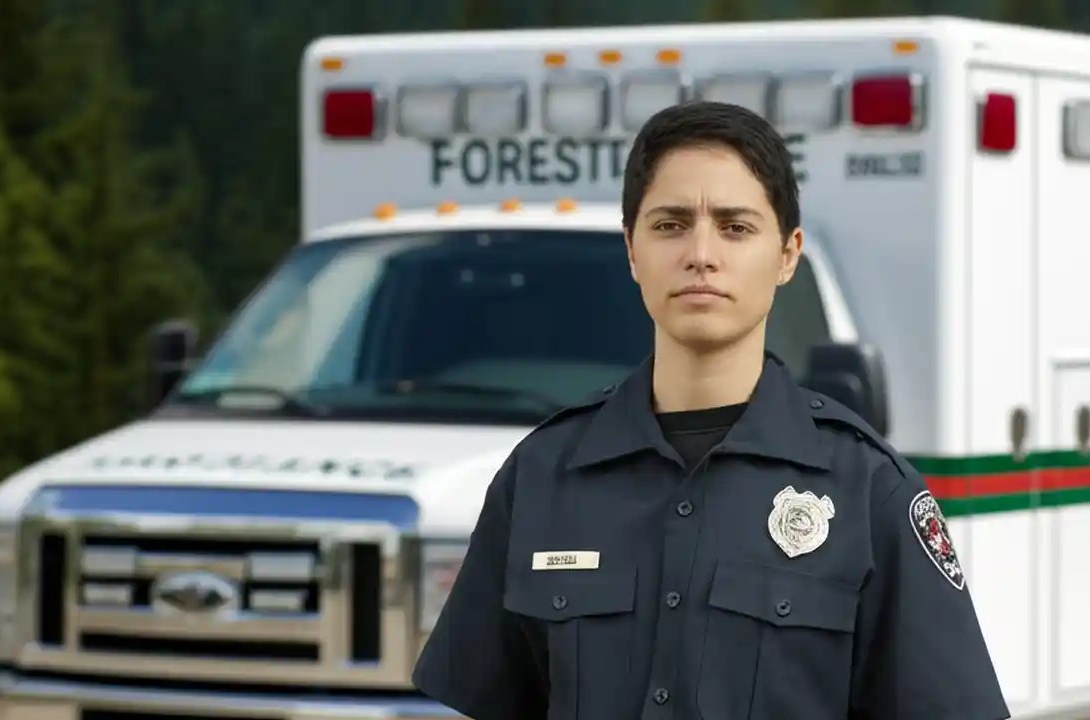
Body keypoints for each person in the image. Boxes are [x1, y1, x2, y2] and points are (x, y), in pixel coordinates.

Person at [412, 100, 1010, 720]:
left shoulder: (869, 492)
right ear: (632, 250)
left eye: (735, 227)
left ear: (786, 254)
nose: (701, 253)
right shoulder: (540, 477)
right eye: (670, 225)